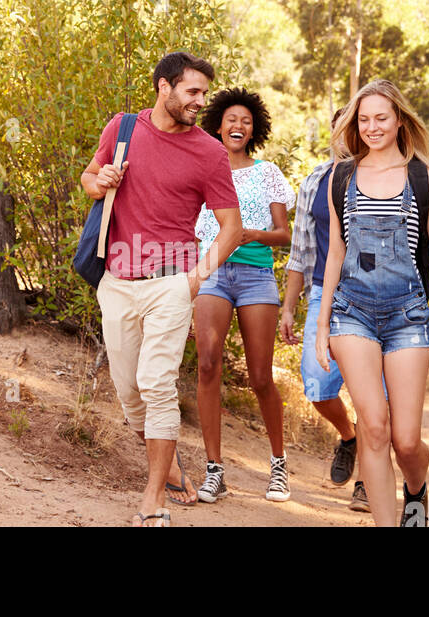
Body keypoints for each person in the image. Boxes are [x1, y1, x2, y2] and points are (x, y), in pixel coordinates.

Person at [80, 52, 243, 527]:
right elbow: (88, 178)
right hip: (117, 280)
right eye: (192, 92)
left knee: (157, 385)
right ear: (163, 87)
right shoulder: (123, 127)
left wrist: (195, 279)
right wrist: (99, 180)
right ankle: (168, 465)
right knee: (129, 393)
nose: (199, 102)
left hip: (172, 281)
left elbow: (231, 228)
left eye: (203, 95)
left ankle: (153, 500)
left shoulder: (210, 152)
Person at [315, 80, 429, 527]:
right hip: (351, 312)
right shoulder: (340, 176)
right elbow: (336, 254)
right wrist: (322, 325)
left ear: (400, 119)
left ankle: (415, 488)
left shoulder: (425, 178)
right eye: (364, 119)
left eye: (381, 118)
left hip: (408, 315)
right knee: (373, 428)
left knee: (406, 440)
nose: (372, 127)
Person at [191, 87, 294, 504]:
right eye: (231, 119)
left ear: (255, 130)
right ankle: (215, 469)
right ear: (217, 125)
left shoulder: (267, 172)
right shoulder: (201, 166)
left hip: (255, 275)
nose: (238, 125)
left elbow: (284, 235)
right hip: (211, 271)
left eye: (246, 121)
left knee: (260, 377)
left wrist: (250, 235)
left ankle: (279, 464)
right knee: (207, 363)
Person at [281, 108, 371, 512]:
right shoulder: (316, 180)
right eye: (342, 126)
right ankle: (349, 437)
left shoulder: (385, 176)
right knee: (316, 386)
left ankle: (367, 484)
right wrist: (288, 307)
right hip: (325, 293)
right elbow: (299, 251)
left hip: (375, 297)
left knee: (375, 397)